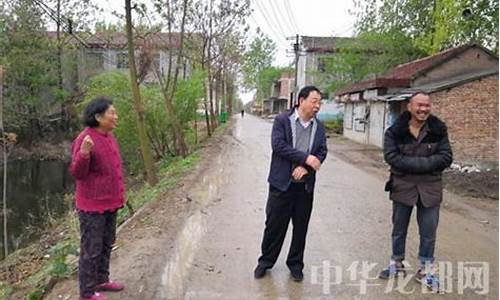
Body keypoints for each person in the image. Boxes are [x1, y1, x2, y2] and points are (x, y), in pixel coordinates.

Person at [379, 91, 452, 290]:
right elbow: (391, 157)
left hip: (430, 189)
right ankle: (397, 263)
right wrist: (427, 164)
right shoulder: (395, 131)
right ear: (410, 106)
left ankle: (425, 270)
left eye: (427, 105)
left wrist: (411, 164)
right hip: (403, 187)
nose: (423, 109)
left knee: (429, 231)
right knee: (399, 229)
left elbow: (446, 157)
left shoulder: (438, 130)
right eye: (419, 105)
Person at [254, 86, 327, 282]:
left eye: (319, 102)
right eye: (314, 101)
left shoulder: (319, 127)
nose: (317, 106)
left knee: (300, 227)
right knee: (274, 225)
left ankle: (295, 264)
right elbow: (278, 146)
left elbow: (321, 152)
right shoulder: (282, 121)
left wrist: (306, 167)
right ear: (301, 101)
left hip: (304, 187)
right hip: (281, 184)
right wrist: (306, 158)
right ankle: (265, 262)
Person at [69, 97, 126, 300]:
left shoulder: (109, 137)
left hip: (111, 203)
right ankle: (86, 292)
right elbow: (77, 173)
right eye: (112, 113)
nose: (115, 117)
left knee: (107, 243)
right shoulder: (85, 138)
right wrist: (83, 154)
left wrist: (120, 196)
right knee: (91, 250)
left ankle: (102, 280)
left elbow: (114, 170)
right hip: (92, 206)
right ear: (98, 117)